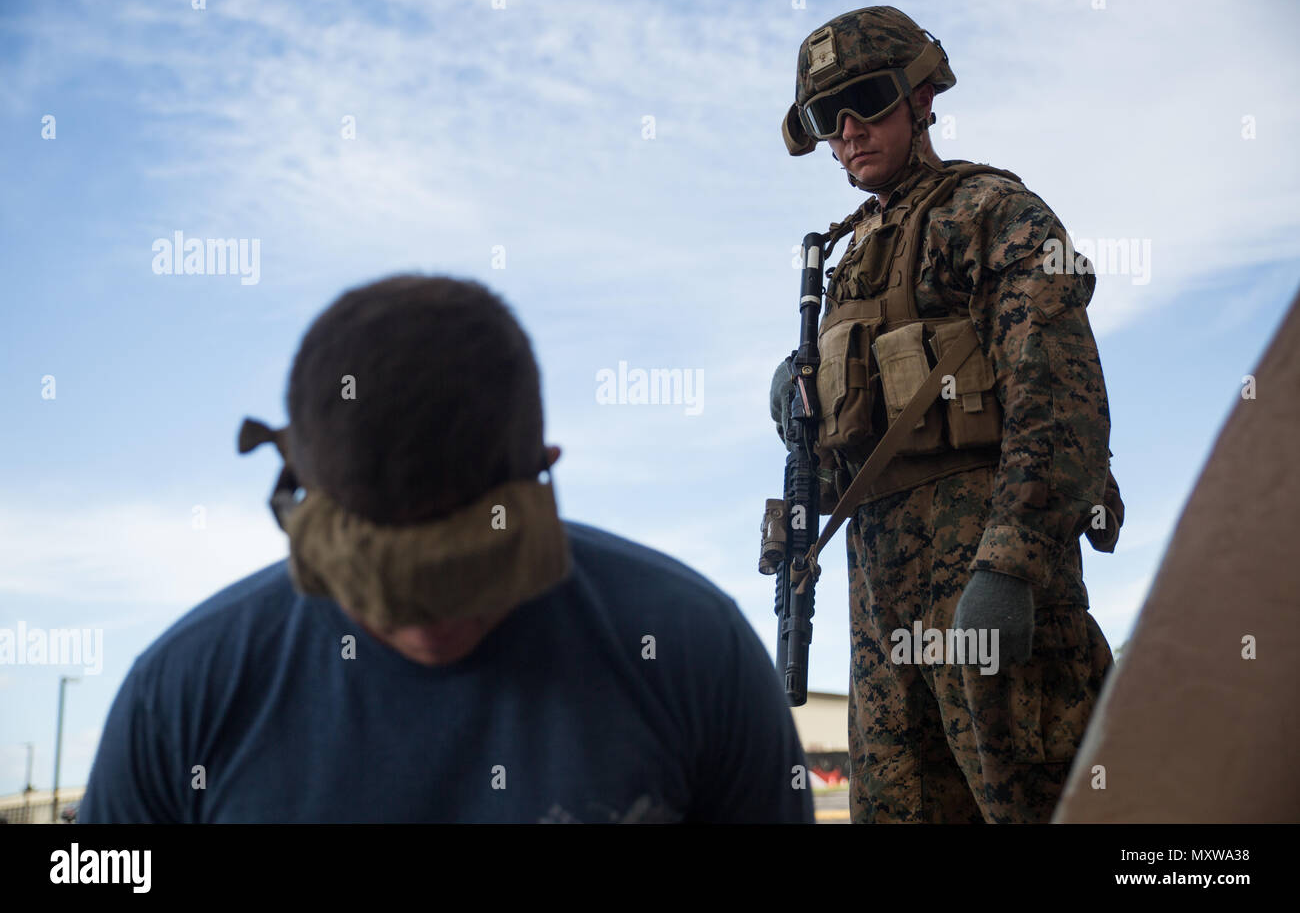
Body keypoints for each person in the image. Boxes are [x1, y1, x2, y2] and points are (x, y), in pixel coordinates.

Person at [81, 274, 813, 823]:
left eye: (466, 572)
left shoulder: (688, 651)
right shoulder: (181, 701)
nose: (426, 623)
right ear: (304, 500)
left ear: (543, 470)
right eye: (381, 581)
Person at [770, 7, 1121, 823]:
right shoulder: (846, 262)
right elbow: (843, 467)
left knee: (1043, 808)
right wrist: (799, 409)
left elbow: (1059, 403)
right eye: (829, 115)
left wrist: (1010, 566)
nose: (850, 129)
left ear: (922, 96)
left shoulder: (991, 211)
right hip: (880, 615)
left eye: (867, 99)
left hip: (988, 590)